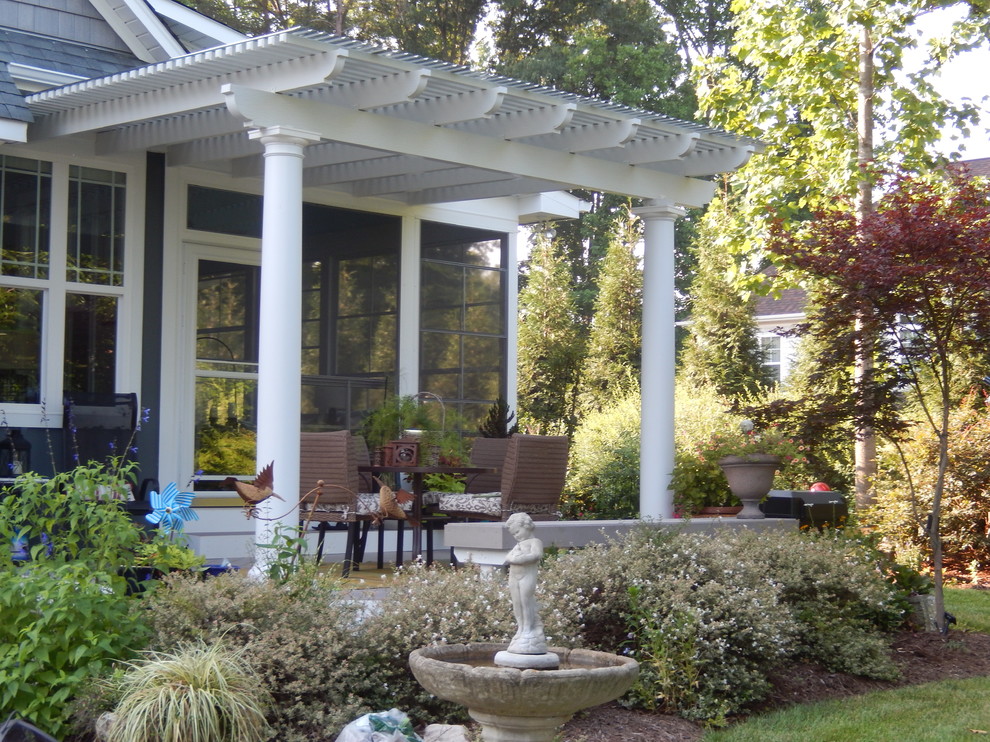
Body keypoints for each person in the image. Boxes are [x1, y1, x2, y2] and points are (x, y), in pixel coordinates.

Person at [504, 512, 547, 654]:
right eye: (513, 534)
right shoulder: (518, 545)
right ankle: (520, 628)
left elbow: (536, 555)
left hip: (527, 576)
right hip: (514, 576)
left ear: (526, 527)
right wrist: (514, 558)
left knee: (525, 600)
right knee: (516, 602)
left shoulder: (535, 542)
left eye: (517, 532)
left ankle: (529, 628)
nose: (516, 536)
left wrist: (519, 558)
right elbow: (508, 557)